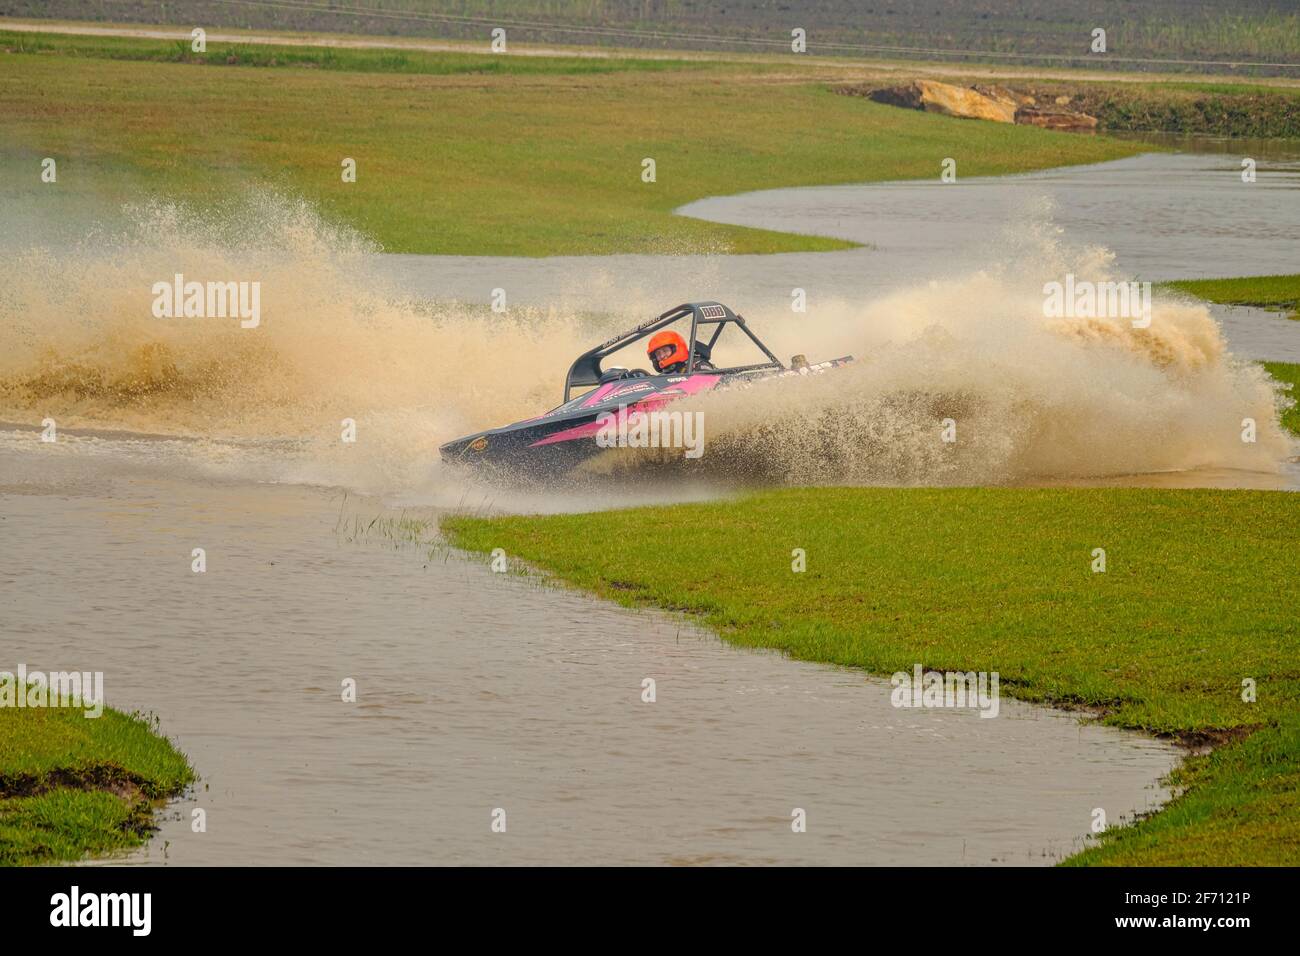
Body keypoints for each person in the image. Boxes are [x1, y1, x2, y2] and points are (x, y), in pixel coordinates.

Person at [646, 330, 711, 374]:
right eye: (658, 354)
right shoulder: (664, 375)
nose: (662, 356)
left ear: (676, 349)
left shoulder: (697, 365)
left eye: (665, 351)